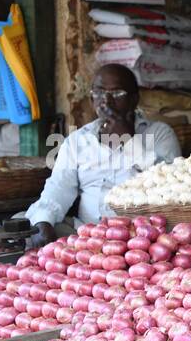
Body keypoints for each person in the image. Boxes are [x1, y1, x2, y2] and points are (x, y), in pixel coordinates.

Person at [23, 64, 180, 245]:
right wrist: (43, 221)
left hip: (143, 236)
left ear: (134, 99)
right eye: (98, 93)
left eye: (117, 93)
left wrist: (128, 141)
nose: (106, 101)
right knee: (28, 222)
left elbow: (172, 185)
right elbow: (58, 187)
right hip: (87, 234)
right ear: (91, 99)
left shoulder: (160, 133)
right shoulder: (77, 140)